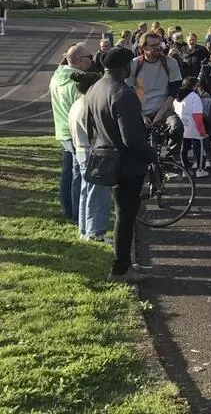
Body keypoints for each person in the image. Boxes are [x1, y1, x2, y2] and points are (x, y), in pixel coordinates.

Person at [83, 47, 158, 283]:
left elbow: (89, 125)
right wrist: (152, 156)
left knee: (122, 213)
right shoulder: (123, 94)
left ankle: (122, 264)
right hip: (126, 164)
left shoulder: (94, 88)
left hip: (105, 157)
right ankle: (121, 269)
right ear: (125, 67)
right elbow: (132, 140)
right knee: (125, 216)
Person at [51, 43, 95, 222]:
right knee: (78, 174)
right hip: (75, 132)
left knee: (67, 172)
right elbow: (84, 111)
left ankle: (68, 208)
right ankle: (78, 212)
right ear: (78, 60)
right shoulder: (78, 83)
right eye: (89, 57)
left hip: (61, 130)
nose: (92, 60)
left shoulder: (57, 75)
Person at [68, 70, 109, 241]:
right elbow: (94, 132)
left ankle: (85, 229)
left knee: (86, 192)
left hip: (80, 150)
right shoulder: (88, 106)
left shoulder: (77, 103)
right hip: (91, 151)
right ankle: (95, 232)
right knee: (97, 194)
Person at [173, 77, 209, 177]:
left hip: (181, 125)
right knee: (198, 147)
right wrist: (201, 130)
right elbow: (197, 115)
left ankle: (185, 170)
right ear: (193, 86)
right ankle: (200, 169)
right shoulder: (194, 97)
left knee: (183, 148)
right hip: (193, 126)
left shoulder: (177, 97)